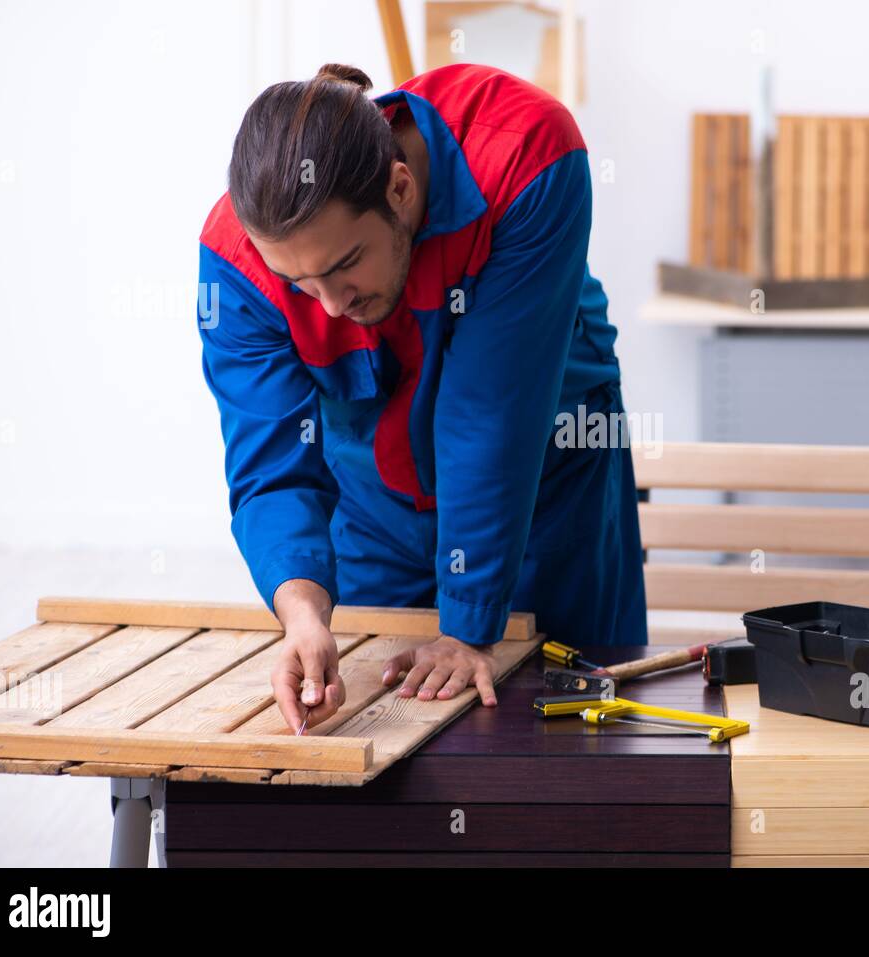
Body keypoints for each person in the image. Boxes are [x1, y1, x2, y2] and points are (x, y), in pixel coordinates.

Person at [197, 62, 647, 735]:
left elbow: (487, 418)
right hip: (377, 502)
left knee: (568, 742)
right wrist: (302, 614)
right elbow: (274, 459)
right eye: (300, 284)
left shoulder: (526, 153)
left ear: (400, 188)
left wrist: (468, 631)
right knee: (390, 744)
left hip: (545, 488)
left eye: (346, 264)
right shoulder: (236, 259)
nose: (331, 305)